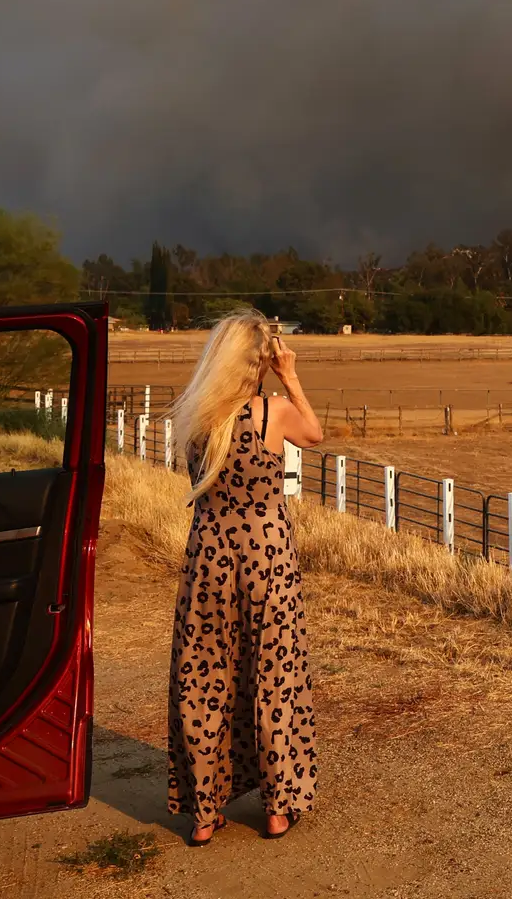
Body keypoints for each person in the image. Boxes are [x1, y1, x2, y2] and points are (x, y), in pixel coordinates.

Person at [165, 311, 325, 844]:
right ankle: (278, 807)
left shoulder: (198, 420)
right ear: (262, 361)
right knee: (275, 676)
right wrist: (290, 377)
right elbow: (316, 434)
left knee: (204, 678)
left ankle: (204, 814)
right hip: (269, 560)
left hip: (209, 557)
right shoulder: (272, 414)